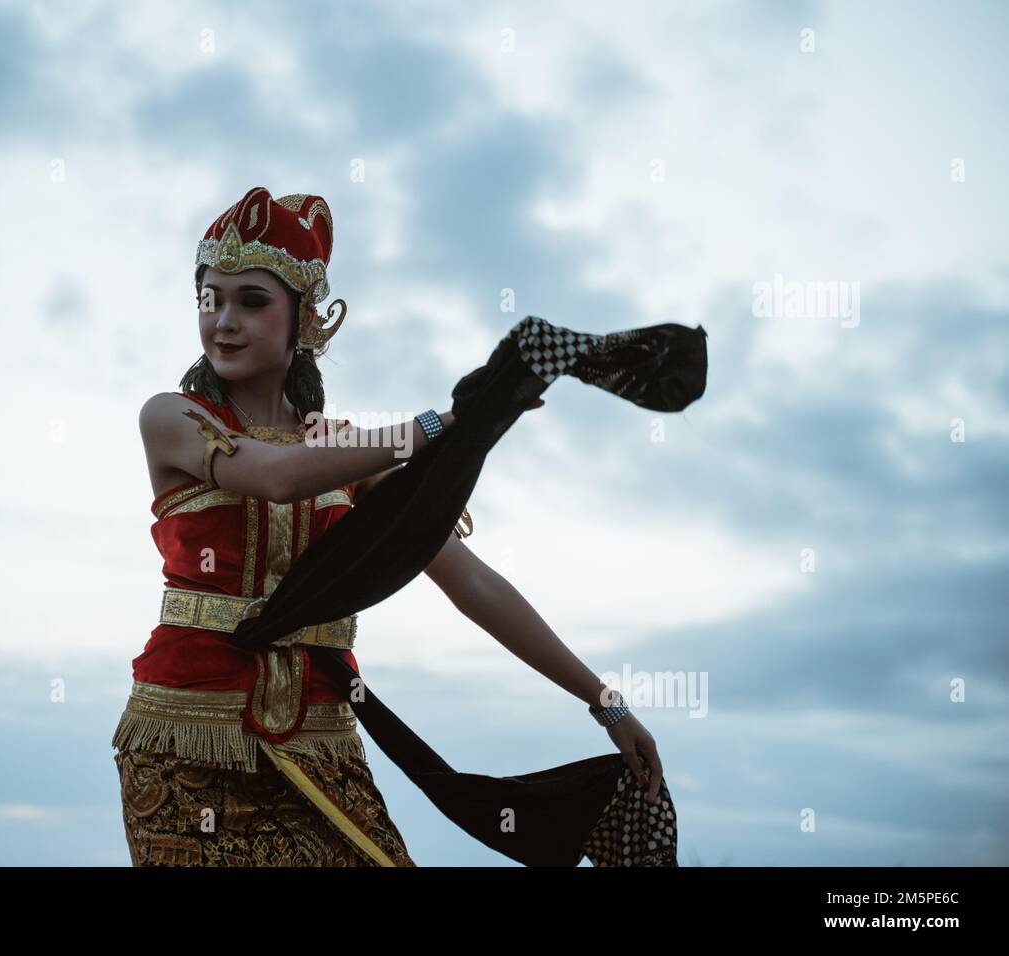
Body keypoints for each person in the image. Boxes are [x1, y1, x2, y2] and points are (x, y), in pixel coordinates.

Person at [112, 186, 679, 866]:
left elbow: (474, 586)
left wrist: (605, 702)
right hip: (186, 743)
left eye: (252, 301)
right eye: (212, 300)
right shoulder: (174, 419)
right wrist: (448, 421)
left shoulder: (351, 454)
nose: (224, 321)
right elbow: (276, 476)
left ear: (305, 319)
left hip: (323, 741)